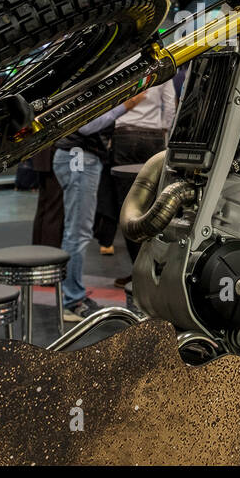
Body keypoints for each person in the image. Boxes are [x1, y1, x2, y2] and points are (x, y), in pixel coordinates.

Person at [54, 92, 145, 321]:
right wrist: (126, 103)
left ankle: (73, 296)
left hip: (81, 157)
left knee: (76, 231)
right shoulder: (89, 82)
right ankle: (72, 300)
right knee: (77, 232)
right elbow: (87, 125)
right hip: (80, 158)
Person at [109, 80, 177, 283]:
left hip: (124, 135)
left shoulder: (122, 64)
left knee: (128, 207)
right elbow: (170, 103)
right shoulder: (162, 64)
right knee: (155, 205)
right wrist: (166, 134)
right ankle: (154, 269)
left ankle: (136, 271)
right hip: (153, 137)